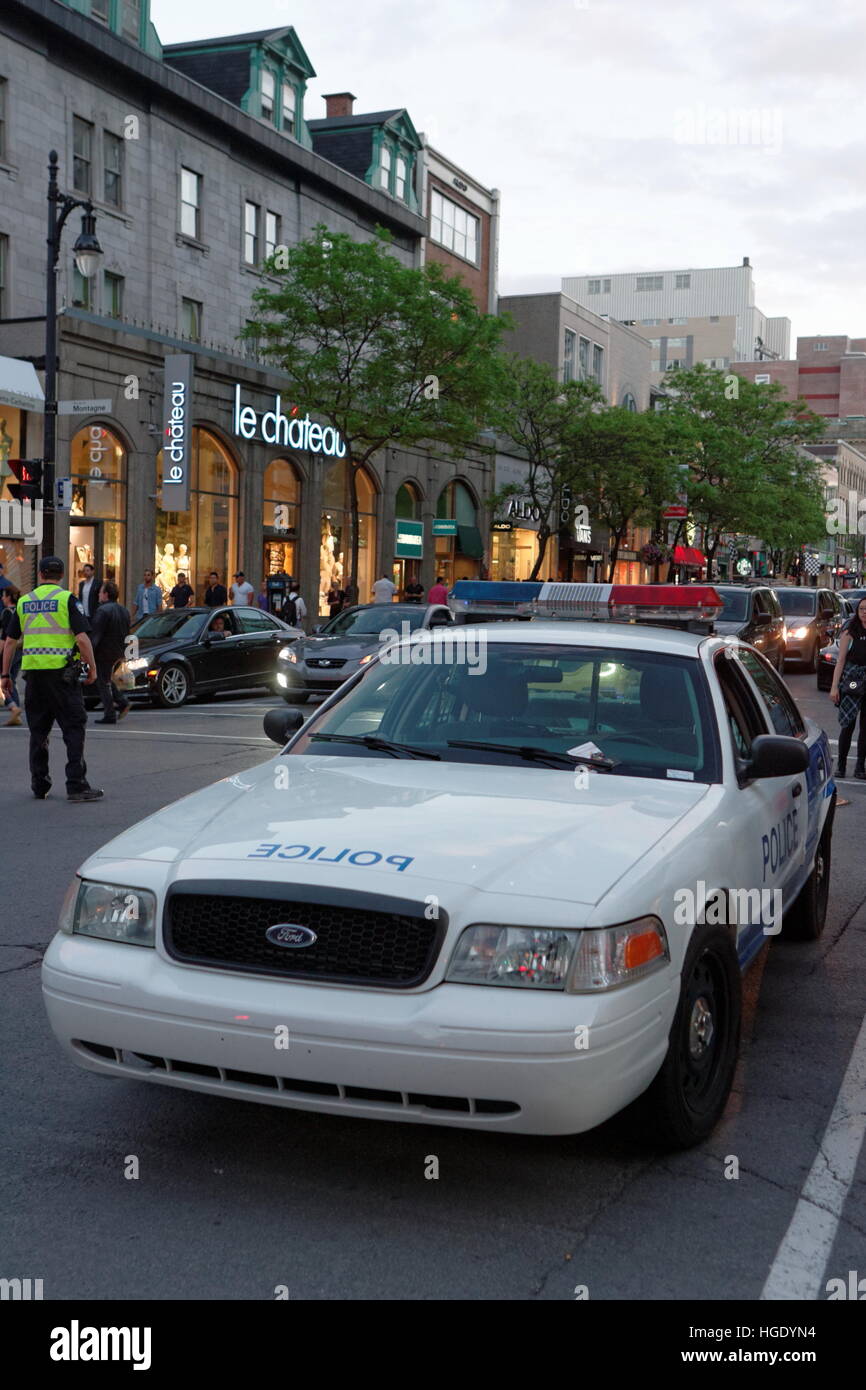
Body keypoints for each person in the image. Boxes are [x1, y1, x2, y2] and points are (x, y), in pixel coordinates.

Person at [0, 555, 102, 801]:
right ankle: (76, 784)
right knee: (74, 728)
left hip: (34, 676)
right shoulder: (66, 599)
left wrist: (4, 674)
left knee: (38, 731)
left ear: (40, 575)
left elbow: (10, 641)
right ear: (62, 576)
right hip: (62, 677)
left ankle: (39, 784)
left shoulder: (25, 601)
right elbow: (81, 638)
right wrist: (93, 668)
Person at [830, 595, 866, 779]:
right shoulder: (849, 631)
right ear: (857, 611)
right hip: (852, 680)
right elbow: (841, 660)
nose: (864, 613)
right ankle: (841, 765)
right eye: (861, 609)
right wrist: (835, 687)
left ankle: (860, 766)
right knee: (848, 725)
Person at [90, 580, 132, 726]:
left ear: (106, 595)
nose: (99, 595)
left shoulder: (102, 611)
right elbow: (127, 633)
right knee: (107, 680)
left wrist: (89, 653)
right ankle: (122, 702)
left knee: (102, 682)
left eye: (101, 592)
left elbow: (96, 635)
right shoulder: (124, 610)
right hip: (118, 651)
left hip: (104, 652)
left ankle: (110, 713)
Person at [1, 585, 22, 724]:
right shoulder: (20, 610)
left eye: (3, 595)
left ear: (8, 597)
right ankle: (16, 713)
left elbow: (5, 637)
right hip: (21, 650)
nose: (2, 598)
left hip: (10, 650)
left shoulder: (7, 612)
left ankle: (13, 707)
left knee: (3, 680)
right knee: (12, 680)